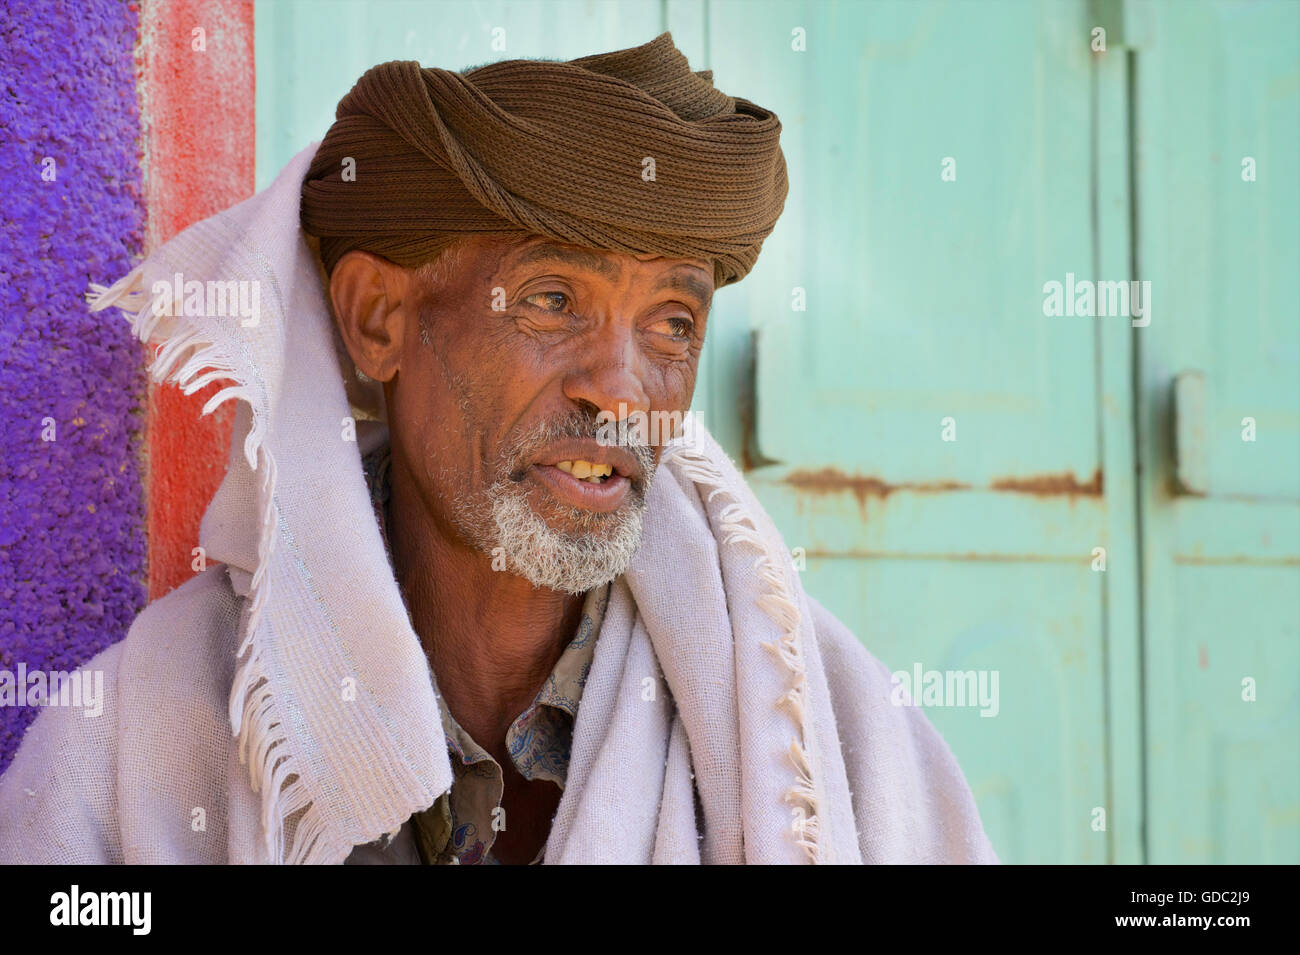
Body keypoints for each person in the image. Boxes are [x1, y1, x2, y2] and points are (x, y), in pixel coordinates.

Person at [0, 33, 997, 864]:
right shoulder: (148, 729)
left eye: (671, 323)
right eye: (553, 301)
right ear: (379, 318)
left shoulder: (821, 727)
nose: (617, 387)